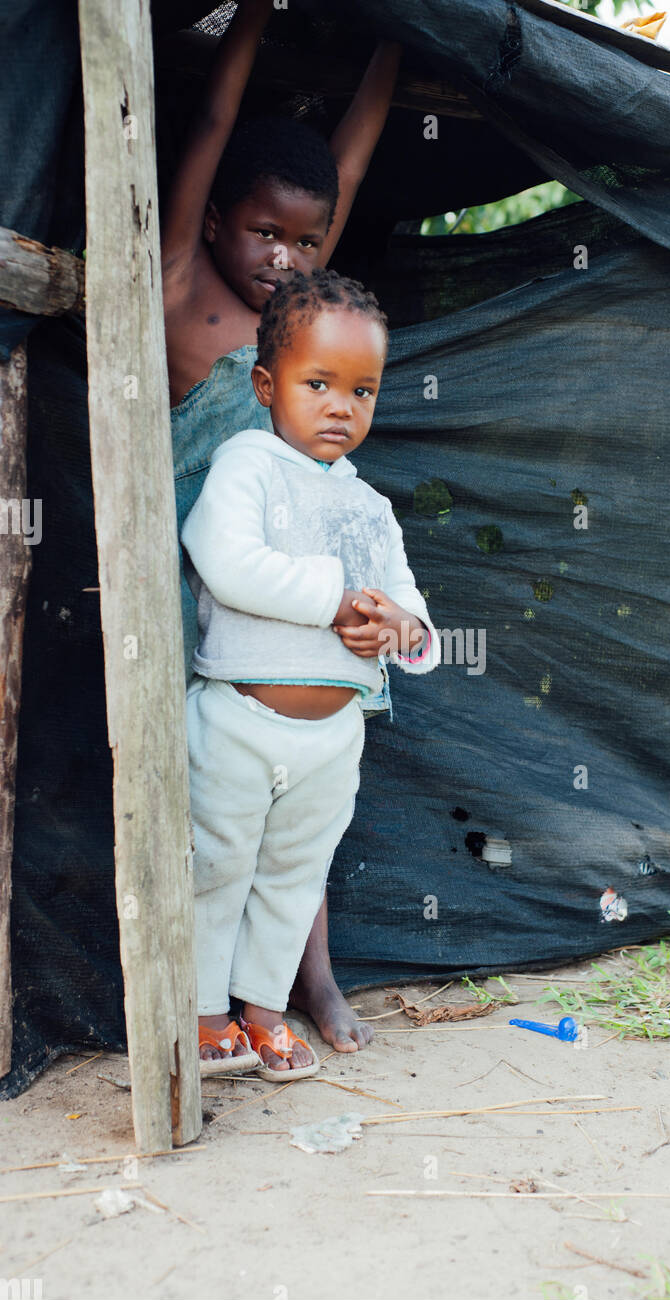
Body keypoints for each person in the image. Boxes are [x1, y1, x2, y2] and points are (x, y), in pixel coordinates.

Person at [161, 0, 403, 1061]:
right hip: (199, 586)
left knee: (307, 810)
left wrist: (403, 37)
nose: (285, 256)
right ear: (216, 219)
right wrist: (253, 14)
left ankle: (307, 983)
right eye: (265, 231)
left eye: (306, 240)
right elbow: (213, 117)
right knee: (219, 821)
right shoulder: (179, 289)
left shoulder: (301, 314)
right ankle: (202, 995)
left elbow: (348, 158)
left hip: (311, 594)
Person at [183, 268, 441, 1077]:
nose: (341, 406)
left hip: (335, 737)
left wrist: (404, 629)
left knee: (294, 876)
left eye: (362, 390)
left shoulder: (370, 505)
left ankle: (263, 1009)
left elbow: (412, 610)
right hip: (238, 721)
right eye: (318, 383)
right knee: (216, 866)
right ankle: (200, 1011)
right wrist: (334, 602)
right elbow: (226, 563)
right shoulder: (246, 463)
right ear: (266, 385)